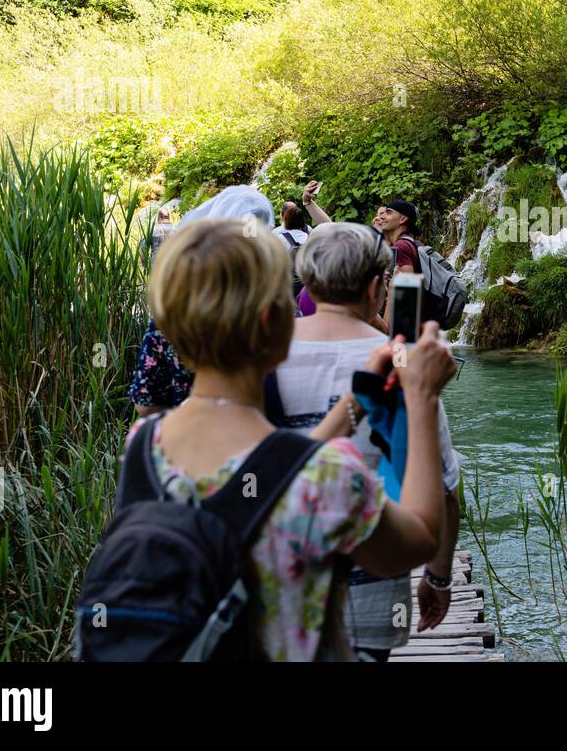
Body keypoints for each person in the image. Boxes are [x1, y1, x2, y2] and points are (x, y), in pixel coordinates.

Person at [130, 216, 457, 660]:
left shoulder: (144, 444)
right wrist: (418, 396)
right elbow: (415, 541)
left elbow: (276, 472)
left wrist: (355, 402)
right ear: (271, 321)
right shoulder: (331, 473)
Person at [269, 222, 463, 661]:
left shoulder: (264, 354)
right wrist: (438, 577)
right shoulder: (400, 364)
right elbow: (445, 489)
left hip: (277, 587)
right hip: (372, 600)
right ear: (378, 287)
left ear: (308, 280)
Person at [128, 186, 274, 417]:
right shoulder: (274, 313)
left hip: (189, 439)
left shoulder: (170, 318)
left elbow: (145, 404)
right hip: (261, 443)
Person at [373, 199, 422, 276]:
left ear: (402, 219)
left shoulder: (400, 246)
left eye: (388, 212)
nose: (381, 217)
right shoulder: (413, 243)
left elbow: (406, 285)